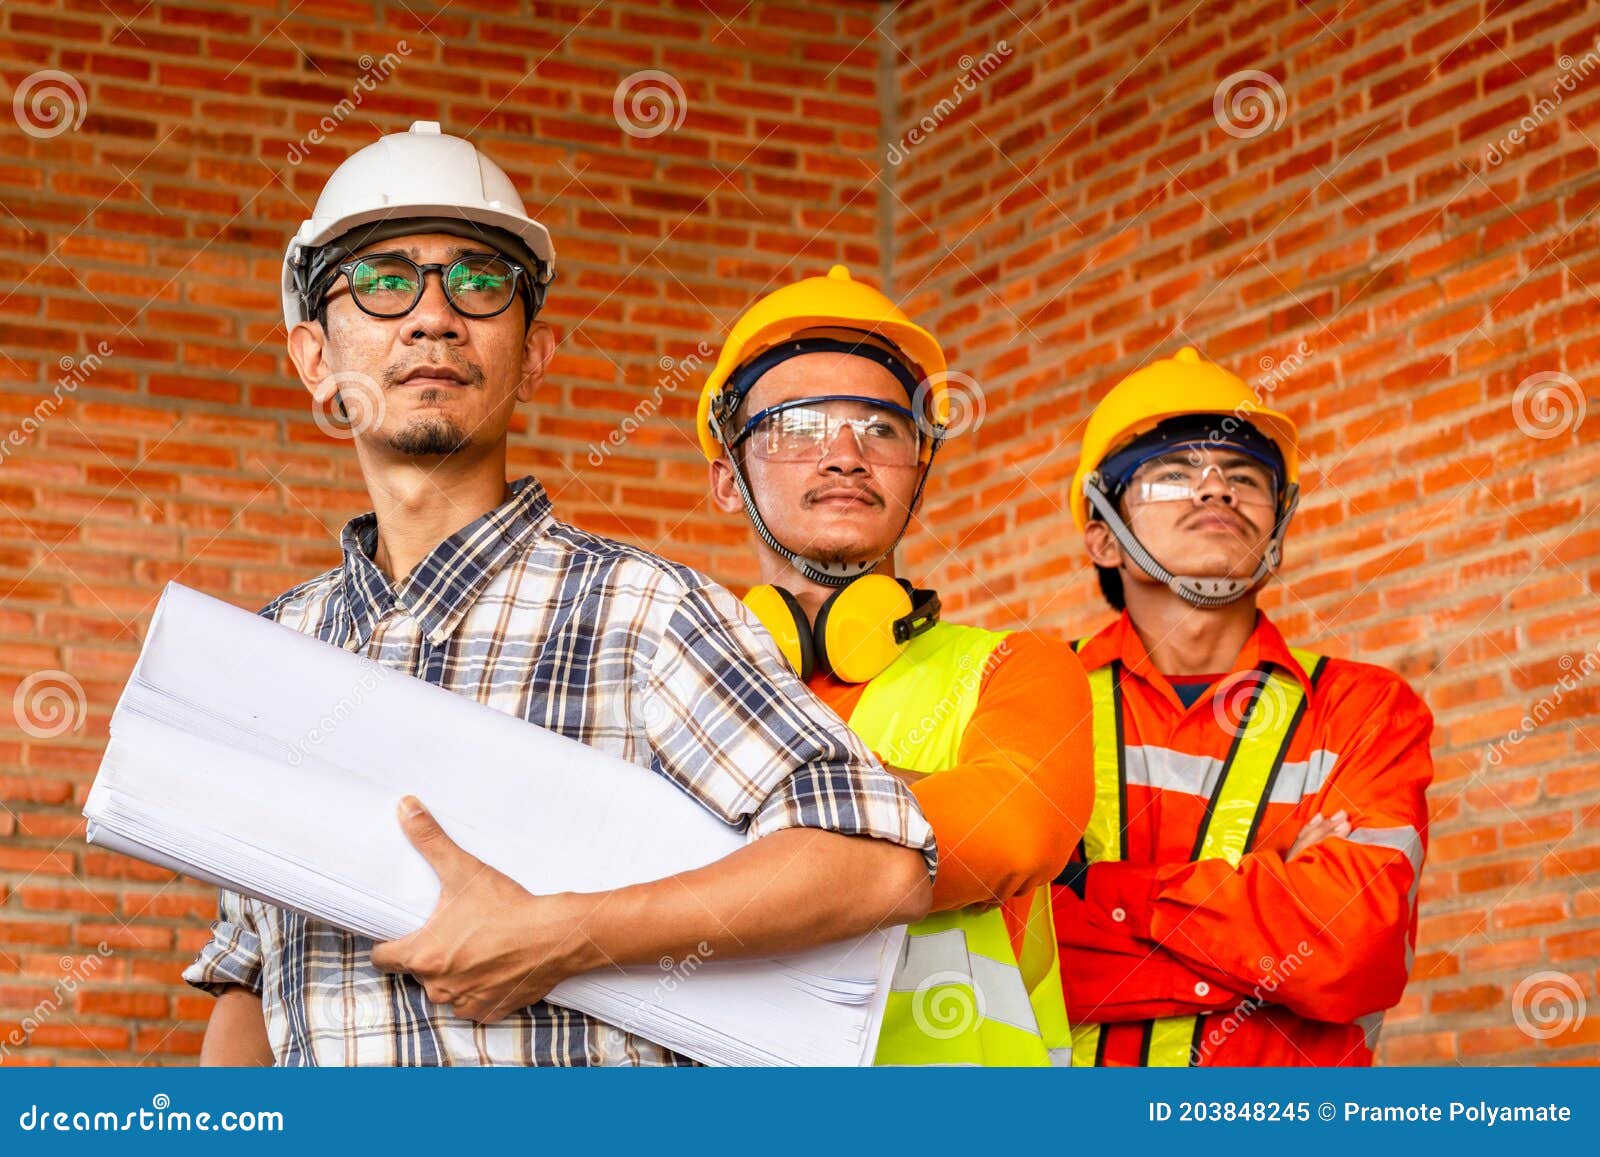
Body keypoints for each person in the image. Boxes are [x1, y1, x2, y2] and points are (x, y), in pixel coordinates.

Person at [183, 122, 936, 1066]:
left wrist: (560, 935)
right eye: (382, 282)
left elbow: (875, 860)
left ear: (531, 355)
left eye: (481, 282)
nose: (433, 317)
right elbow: (252, 989)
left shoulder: (646, 614)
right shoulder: (273, 656)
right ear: (314, 359)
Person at [698, 265, 1094, 1064]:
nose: (845, 454)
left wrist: (731, 810)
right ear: (727, 478)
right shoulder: (661, 675)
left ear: (918, 471)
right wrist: (906, 789)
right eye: (799, 425)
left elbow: (1008, 833)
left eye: (881, 428)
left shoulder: (1021, 667)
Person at [1055, 346, 1434, 1066]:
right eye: (1172, 473)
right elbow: (1012, 953)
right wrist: (1266, 889)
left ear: (1278, 530)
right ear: (1102, 535)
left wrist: (1095, 893)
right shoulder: (1031, 693)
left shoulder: (1365, 709)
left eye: (1243, 476)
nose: (1215, 491)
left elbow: (1352, 948)